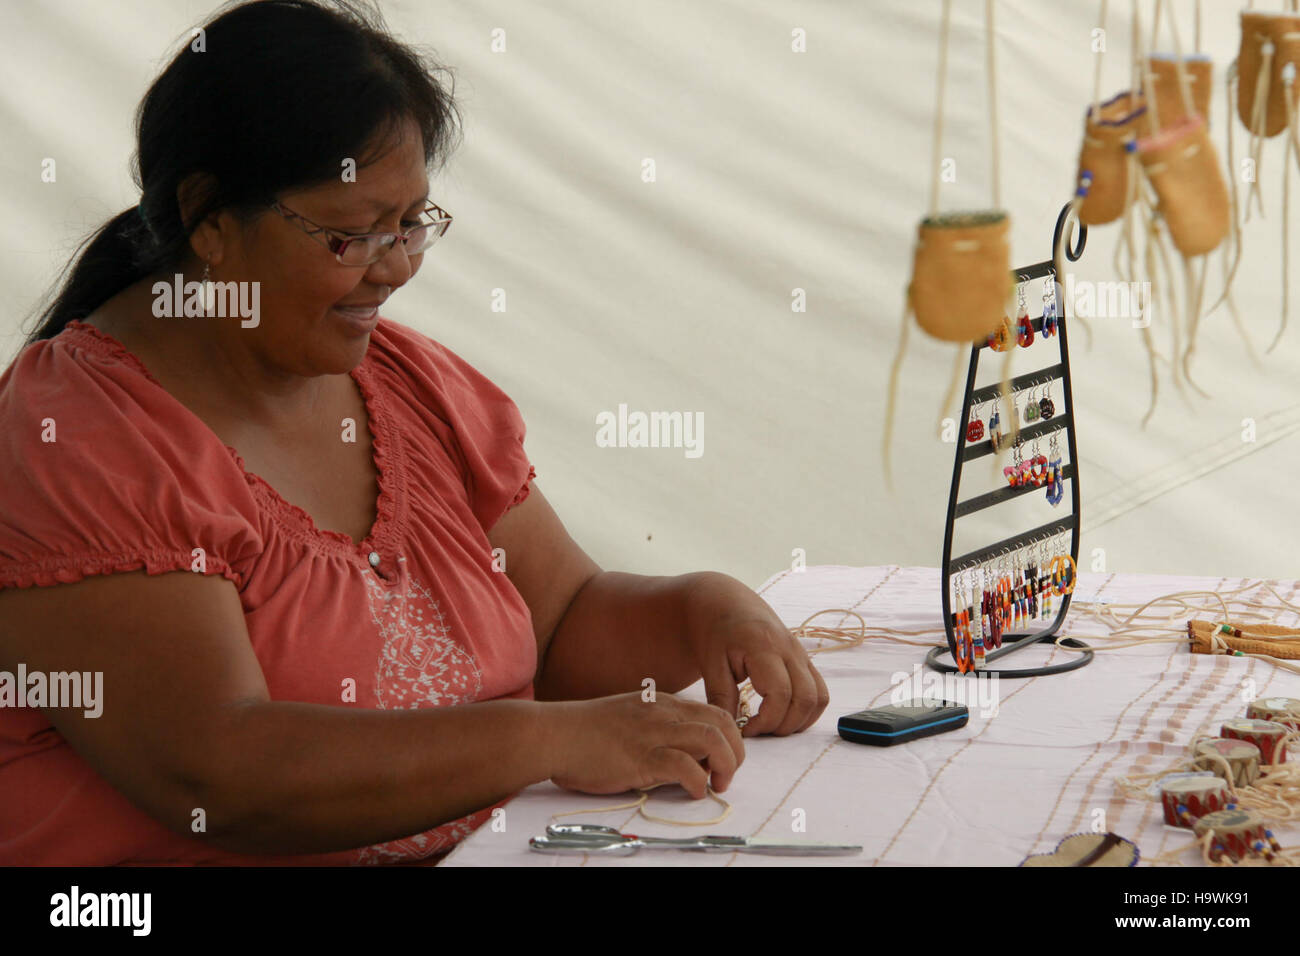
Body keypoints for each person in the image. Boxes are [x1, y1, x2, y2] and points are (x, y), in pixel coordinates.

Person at [0, 0, 827, 865]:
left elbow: (565, 621)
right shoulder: (78, 438)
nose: (395, 268)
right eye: (351, 235)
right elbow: (215, 772)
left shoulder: (407, 385)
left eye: (411, 225)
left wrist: (708, 608)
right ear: (208, 217)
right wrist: (546, 741)